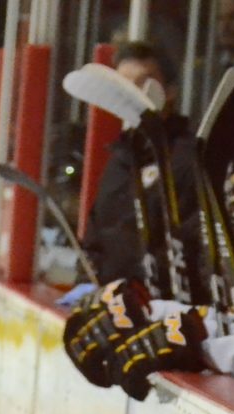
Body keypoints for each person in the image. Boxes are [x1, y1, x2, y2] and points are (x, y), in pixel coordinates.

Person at [86, 41, 191, 288]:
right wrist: (88, 283)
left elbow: (190, 243)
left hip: (160, 311)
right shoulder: (120, 158)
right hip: (112, 307)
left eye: (144, 83)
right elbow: (95, 235)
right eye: (124, 85)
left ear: (171, 91)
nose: (132, 93)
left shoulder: (188, 160)